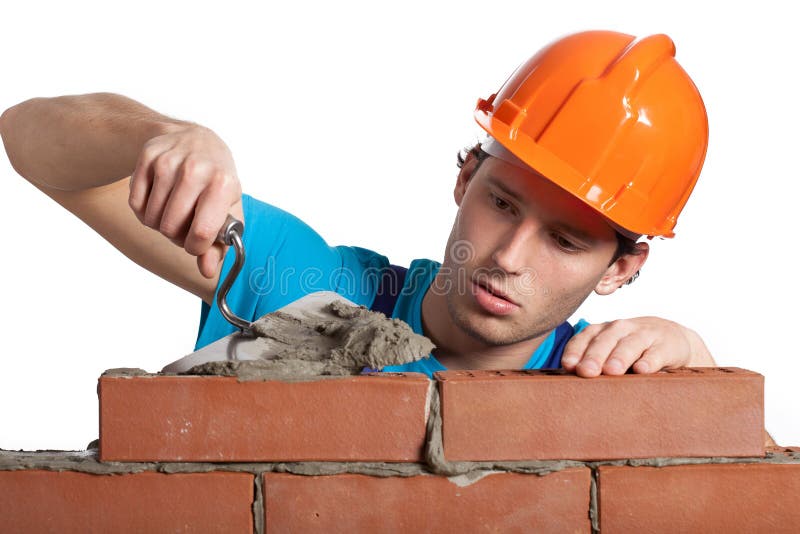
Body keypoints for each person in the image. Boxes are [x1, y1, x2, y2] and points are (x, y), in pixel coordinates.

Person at [0, 30, 716, 380]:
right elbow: (28, 138)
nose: (507, 258)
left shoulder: (613, 379)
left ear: (622, 268)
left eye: (565, 241)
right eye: (501, 202)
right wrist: (159, 137)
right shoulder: (308, 292)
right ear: (465, 178)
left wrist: (703, 377)